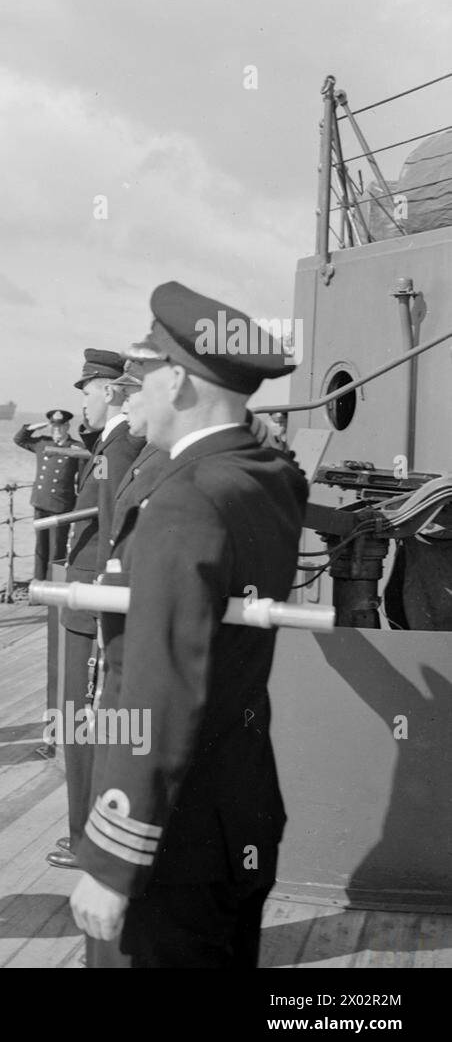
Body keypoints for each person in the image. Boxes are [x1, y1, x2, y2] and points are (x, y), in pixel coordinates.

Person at [69, 282, 305, 968]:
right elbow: (279, 461)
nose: (132, 393)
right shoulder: (266, 476)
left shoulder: (188, 500)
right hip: (241, 811)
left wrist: (114, 858)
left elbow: (163, 683)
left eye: (143, 377)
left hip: (173, 832)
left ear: (177, 381)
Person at [46, 350, 145, 856]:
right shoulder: (113, 441)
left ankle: (88, 837)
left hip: (94, 605)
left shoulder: (121, 448)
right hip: (89, 600)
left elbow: (112, 533)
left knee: (81, 718)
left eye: (85, 392)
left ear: (108, 391)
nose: (81, 404)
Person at [14, 409, 83, 582]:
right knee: (40, 548)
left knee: (58, 550)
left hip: (61, 506)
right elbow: (19, 439)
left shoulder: (77, 447)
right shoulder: (42, 443)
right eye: (54, 426)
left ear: (67, 426)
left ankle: (57, 586)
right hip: (41, 502)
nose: (57, 430)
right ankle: (38, 584)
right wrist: (37, 426)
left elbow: (85, 475)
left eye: (61, 426)